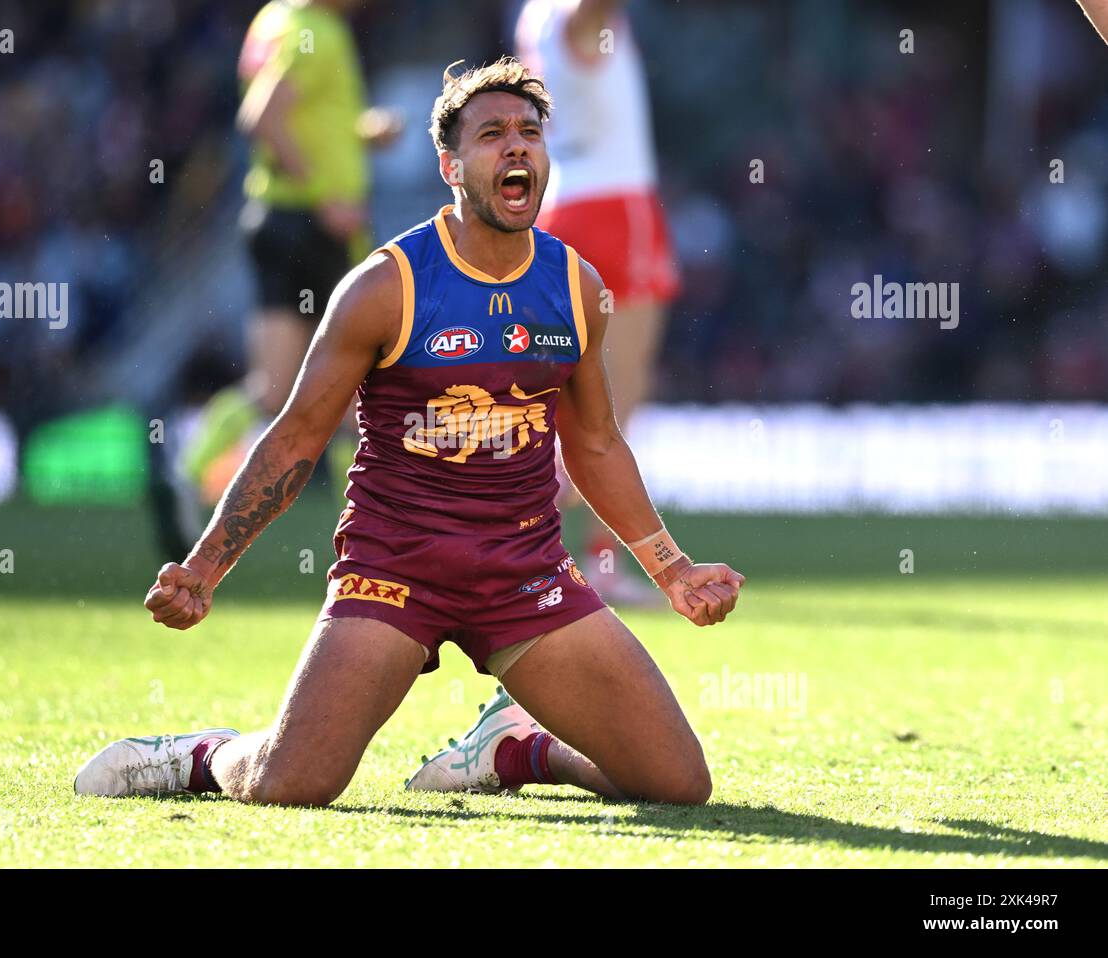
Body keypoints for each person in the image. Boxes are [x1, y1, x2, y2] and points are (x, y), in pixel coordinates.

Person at [75, 57, 744, 807]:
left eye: (530, 132)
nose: (517, 147)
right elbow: (296, 438)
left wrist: (672, 570)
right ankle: (202, 755)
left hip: (525, 575)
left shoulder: (576, 286)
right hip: (396, 572)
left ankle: (517, 749)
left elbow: (593, 445)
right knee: (290, 785)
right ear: (450, 165)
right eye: (492, 134)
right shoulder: (386, 286)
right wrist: (203, 570)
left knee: (677, 783)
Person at [183, 0, 399, 503]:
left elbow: (301, 117)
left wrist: (361, 132)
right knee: (360, 376)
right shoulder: (317, 31)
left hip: (274, 217)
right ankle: (371, 509)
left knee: (277, 388)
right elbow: (263, 116)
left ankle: (189, 466)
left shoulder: (275, 20)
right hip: (314, 225)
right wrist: (322, 195)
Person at [516, 0, 681, 605]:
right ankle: (587, 561)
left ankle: (538, 554)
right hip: (614, 211)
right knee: (615, 401)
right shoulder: (574, 15)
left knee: (565, 400)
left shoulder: (538, 14)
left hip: (568, 206)